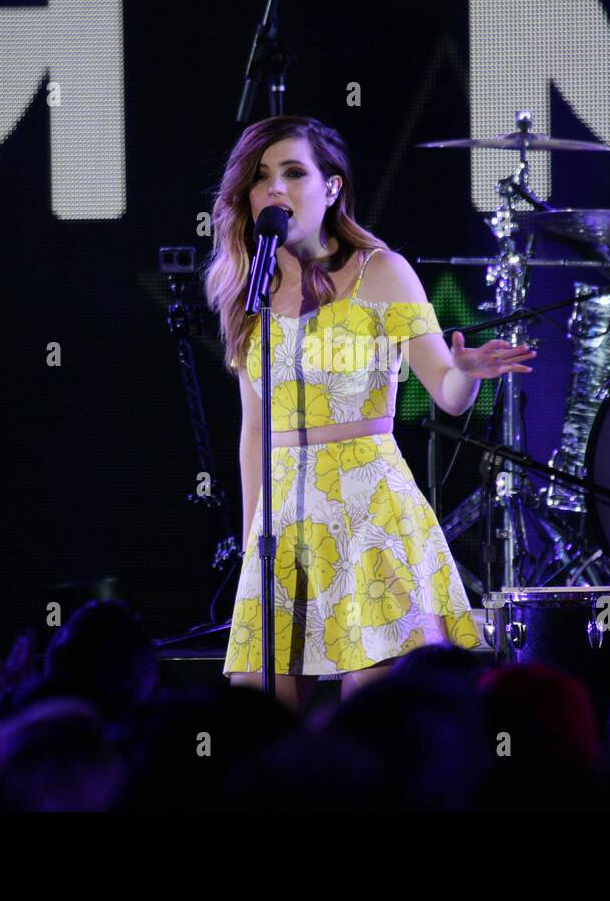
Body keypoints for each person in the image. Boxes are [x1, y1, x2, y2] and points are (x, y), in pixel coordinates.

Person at [204, 115, 536, 711]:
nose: (274, 190)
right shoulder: (246, 291)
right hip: (285, 519)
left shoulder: (381, 272)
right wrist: (256, 537)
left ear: (331, 189)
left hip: (369, 513)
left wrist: (465, 371)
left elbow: (446, 391)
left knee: (378, 711)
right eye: (260, 178)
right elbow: (254, 430)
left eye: (293, 173)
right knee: (257, 713)